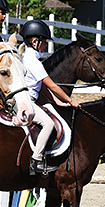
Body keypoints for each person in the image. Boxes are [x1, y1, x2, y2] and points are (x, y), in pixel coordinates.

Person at [19, 19, 80, 175]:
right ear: (35, 42)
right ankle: (36, 160)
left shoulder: (28, 57)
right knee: (48, 124)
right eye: (44, 41)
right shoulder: (33, 61)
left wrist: (58, 101)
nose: (45, 45)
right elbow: (52, 85)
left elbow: (42, 87)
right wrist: (70, 100)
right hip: (27, 102)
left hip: (28, 99)